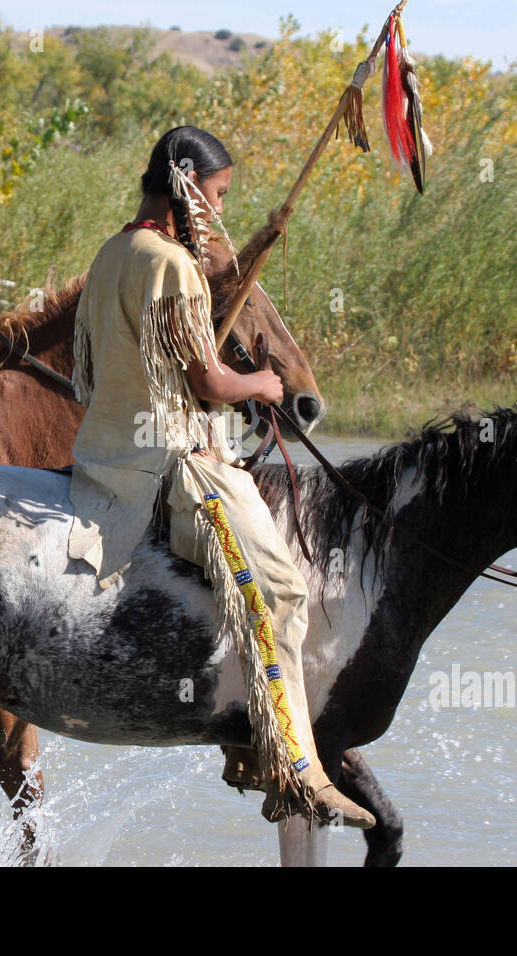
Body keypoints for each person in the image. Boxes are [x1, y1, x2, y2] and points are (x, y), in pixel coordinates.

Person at [67, 126, 374, 829]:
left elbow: (95, 374)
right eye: (219, 194)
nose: (222, 210)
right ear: (185, 186)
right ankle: (290, 765)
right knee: (282, 589)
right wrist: (262, 383)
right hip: (174, 463)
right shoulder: (171, 264)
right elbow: (206, 383)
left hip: (102, 453)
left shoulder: (113, 252)